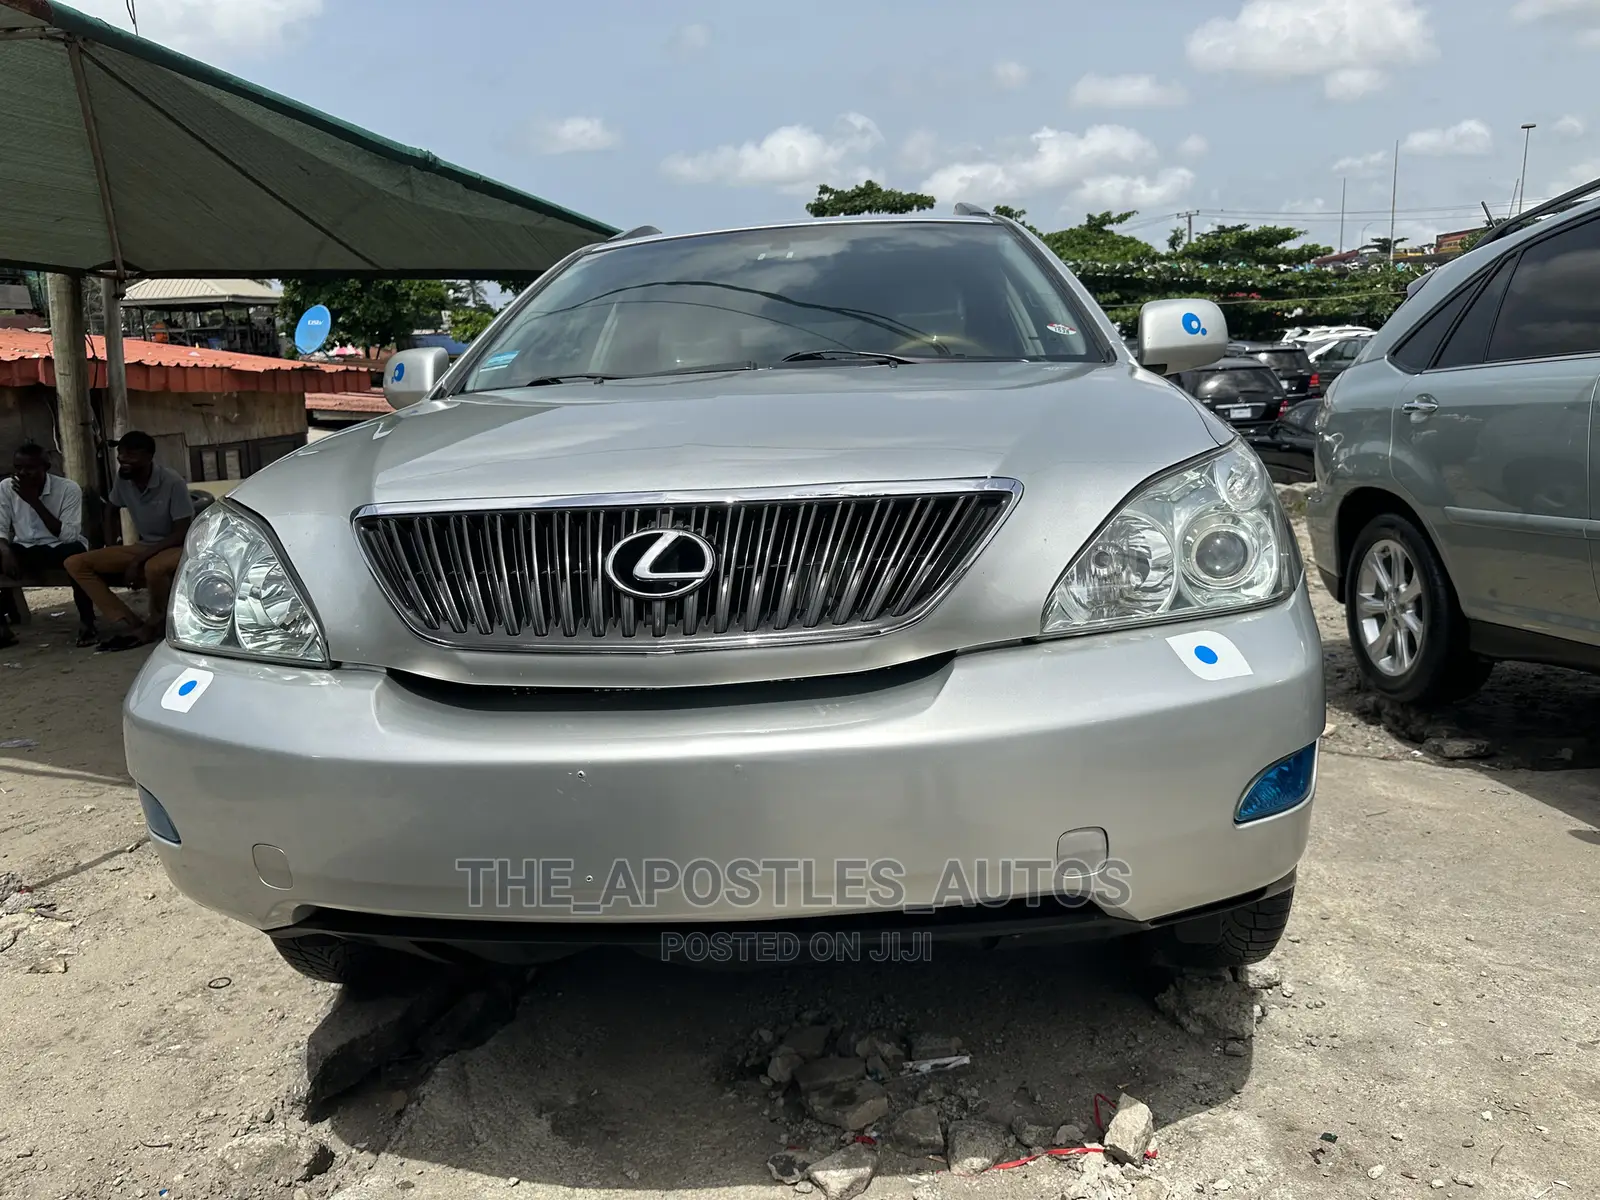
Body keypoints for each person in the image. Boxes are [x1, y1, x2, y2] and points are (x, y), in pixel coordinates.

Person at [65, 431, 194, 651]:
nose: (123, 459)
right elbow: (111, 508)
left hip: (176, 546)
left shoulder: (172, 482)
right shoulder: (124, 479)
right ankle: (129, 621)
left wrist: (137, 561)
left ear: (148, 456)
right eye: (121, 453)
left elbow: (181, 532)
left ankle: (157, 622)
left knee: (154, 567)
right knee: (75, 563)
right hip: (146, 546)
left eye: (131, 454)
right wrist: (110, 544)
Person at [0, 442, 95, 648]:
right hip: (24, 547)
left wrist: (34, 501)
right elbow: (0, 525)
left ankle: (88, 623)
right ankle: (2, 629)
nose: (23, 474)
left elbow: (69, 535)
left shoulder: (68, 489)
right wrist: (4, 547)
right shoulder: (6, 487)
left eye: (30, 469)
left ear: (46, 467)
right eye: (18, 468)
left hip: (58, 546)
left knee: (77, 557)